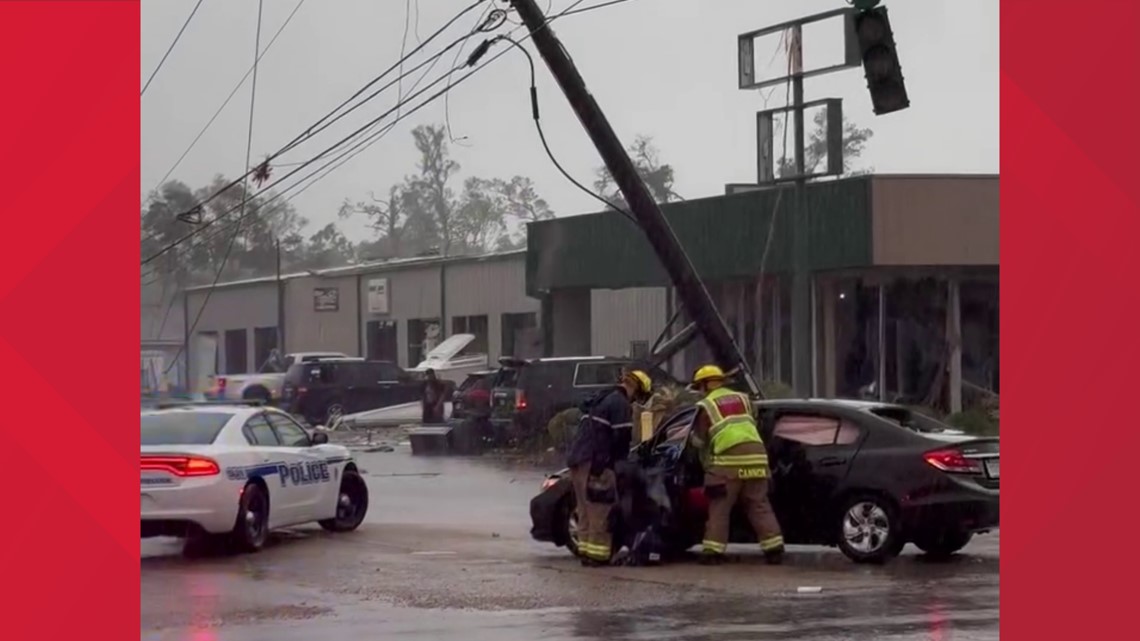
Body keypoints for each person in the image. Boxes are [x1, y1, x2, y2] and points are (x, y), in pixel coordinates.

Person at [689, 364, 784, 566]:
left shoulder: (707, 406)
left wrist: (702, 459)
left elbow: (699, 441)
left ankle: (713, 552)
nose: (700, 392)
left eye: (699, 387)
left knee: (720, 507)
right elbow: (753, 423)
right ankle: (774, 548)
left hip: (728, 461)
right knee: (759, 504)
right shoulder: (744, 399)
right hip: (757, 457)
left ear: (705, 385)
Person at [565, 369, 653, 567]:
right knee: (600, 509)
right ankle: (598, 556)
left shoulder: (601, 398)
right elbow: (622, 438)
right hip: (597, 463)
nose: (635, 401)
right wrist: (619, 463)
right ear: (636, 388)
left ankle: (585, 552)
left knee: (584, 509)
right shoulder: (620, 404)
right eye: (638, 396)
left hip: (578, 459)